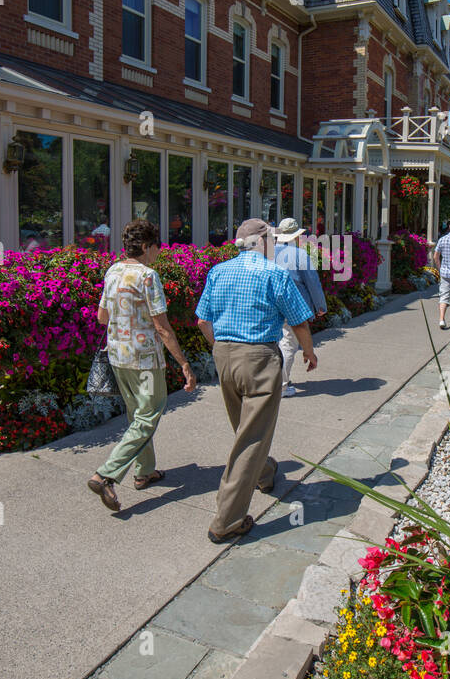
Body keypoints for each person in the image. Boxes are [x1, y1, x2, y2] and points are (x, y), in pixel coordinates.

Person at [195, 218, 317, 544]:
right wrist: (309, 352)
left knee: (245, 427)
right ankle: (227, 520)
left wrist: (221, 349)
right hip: (259, 357)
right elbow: (300, 321)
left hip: (224, 355)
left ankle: (265, 474)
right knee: (250, 438)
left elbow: (203, 320)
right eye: (272, 241)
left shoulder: (218, 271)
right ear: (263, 243)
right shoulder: (273, 273)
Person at [88, 219, 196, 513]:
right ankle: (106, 474)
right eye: (156, 247)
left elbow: (102, 317)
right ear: (147, 246)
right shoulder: (149, 277)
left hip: (118, 356)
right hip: (145, 360)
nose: (158, 253)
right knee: (149, 415)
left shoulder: (113, 271)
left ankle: (144, 471)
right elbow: (162, 328)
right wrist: (184, 364)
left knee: (137, 414)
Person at [273, 216, 327, 396]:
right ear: (296, 236)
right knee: (288, 344)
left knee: (274, 343)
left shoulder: (267, 253)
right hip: (294, 305)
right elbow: (312, 282)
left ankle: (273, 380)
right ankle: (280, 385)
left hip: (271, 305)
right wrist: (320, 305)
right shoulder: (300, 254)